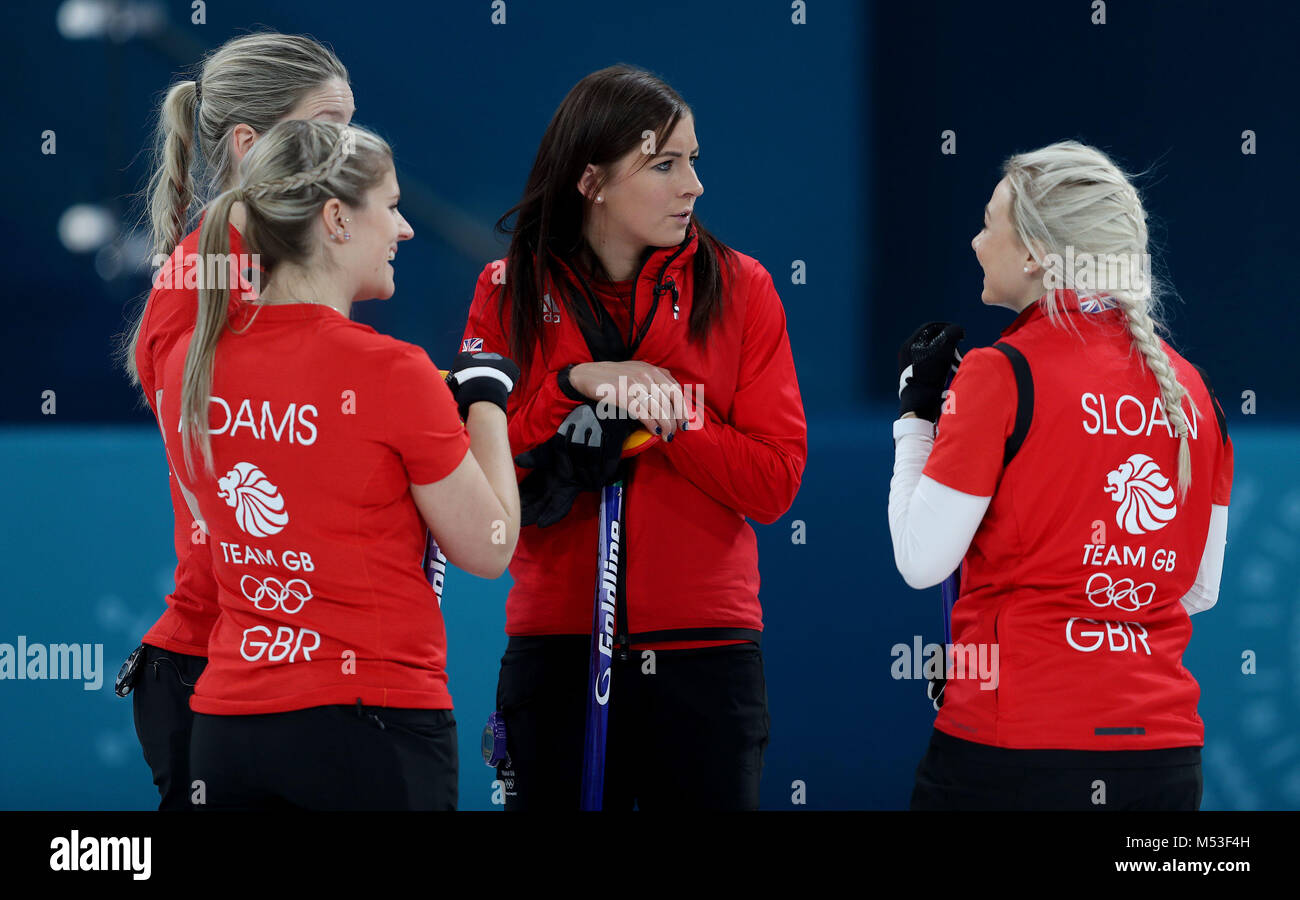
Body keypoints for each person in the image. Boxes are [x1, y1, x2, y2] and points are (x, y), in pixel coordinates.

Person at [461, 65, 807, 810]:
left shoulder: (742, 286)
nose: (694, 186)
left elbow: (775, 482)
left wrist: (664, 419)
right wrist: (571, 386)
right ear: (592, 181)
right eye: (664, 164)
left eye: (693, 161)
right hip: (555, 642)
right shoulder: (506, 288)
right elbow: (479, 477)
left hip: (705, 648)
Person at [158, 119, 520, 810]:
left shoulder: (188, 364)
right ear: (335, 220)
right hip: (370, 732)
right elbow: (489, 545)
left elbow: (215, 514)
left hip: (228, 732)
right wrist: (488, 402)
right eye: (390, 205)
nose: (405, 229)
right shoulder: (391, 370)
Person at [889, 140, 1233, 811]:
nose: (975, 241)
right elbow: (1197, 589)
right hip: (1159, 762)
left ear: (1037, 254)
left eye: (990, 223)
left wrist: (914, 420)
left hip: (1012, 752)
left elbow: (921, 560)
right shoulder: (1195, 393)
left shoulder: (1001, 371)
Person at [116, 32, 356, 810]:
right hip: (216, 667)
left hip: (267, 664)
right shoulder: (209, 275)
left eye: (351, 129)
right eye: (327, 128)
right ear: (251, 146)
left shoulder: (259, 268)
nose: (349, 154)